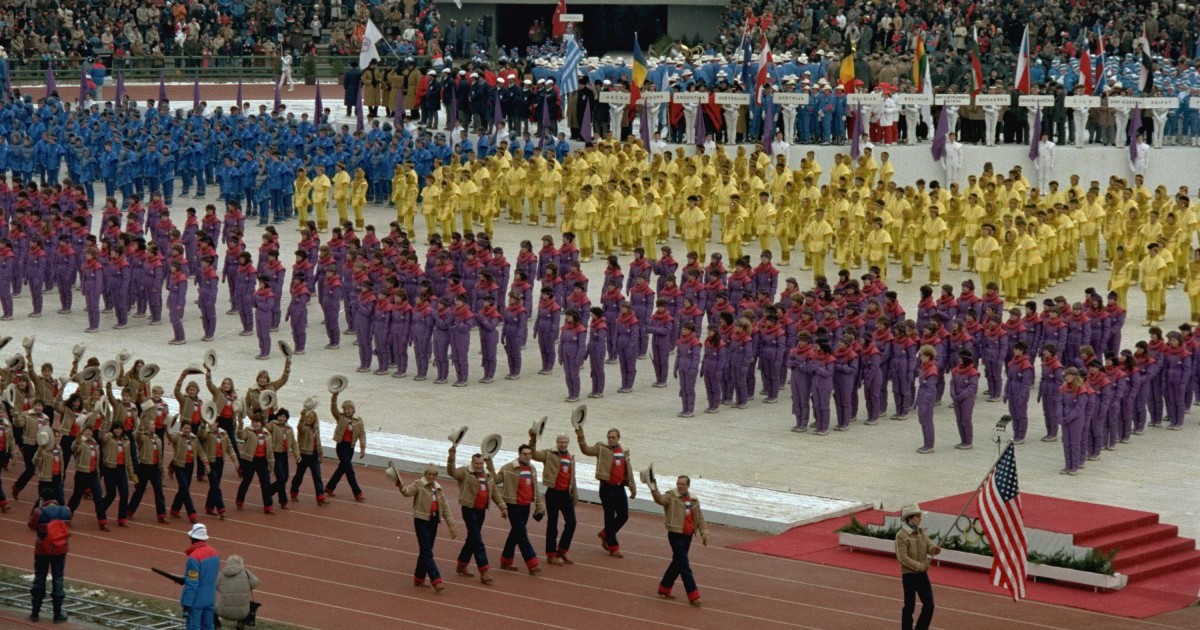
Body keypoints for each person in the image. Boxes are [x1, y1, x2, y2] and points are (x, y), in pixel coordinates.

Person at [394, 463, 457, 592]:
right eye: (429, 474)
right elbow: (407, 492)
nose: (431, 477)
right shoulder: (418, 484)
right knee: (427, 550)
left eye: (433, 475)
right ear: (425, 474)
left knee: (425, 550)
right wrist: (401, 487)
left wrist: (451, 525)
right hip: (421, 520)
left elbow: (445, 508)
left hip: (433, 521)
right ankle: (436, 580)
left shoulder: (438, 489)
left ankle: (419, 578)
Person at [446, 442, 503, 584]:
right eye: (476, 463)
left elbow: (494, 491)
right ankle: (484, 572)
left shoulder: (487, 475)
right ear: (472, 462)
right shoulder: (465, 472)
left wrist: (502, 507)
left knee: (472, 538)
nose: (478, 465)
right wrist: (451, 457)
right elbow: (451, 472)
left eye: (481, 463)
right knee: (477, 540)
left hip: (482, 511)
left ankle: (462, 564)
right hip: (468, 509)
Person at [576, 425, 636, 557]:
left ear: (618, 438)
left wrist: (632, 487)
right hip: (607, 488)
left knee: (624, 515)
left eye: (613, 437)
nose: (611, 439)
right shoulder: (601, 448)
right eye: (609, 437)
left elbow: (629, 470)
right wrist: (580, 435)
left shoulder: (624, 451)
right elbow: (586, 450)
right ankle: (613, 547)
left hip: (620, 487)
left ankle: (605, 533)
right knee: (609, 516)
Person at [650, 474, 708, 607]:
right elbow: (660, 499)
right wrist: (653, 488)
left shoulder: (693, 500)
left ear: (688, 485)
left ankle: (664, 587)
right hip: (675, 535)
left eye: (683, 484)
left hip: (688, 536)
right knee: (684, 565)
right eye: (678, 483)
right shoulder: (671, 496)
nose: (680, 486)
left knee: (677, 562)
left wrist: (704, 531)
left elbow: (700, 517)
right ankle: (693, 595)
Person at [490, 443, 544, 574]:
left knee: (515, 533)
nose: (527, 456)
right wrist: (489, 463)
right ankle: (532, 563)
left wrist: (539, 505)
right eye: (525, 454)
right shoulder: (509, 468)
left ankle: (506, 560)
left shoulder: (532, 469)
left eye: (529, 454)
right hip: (513, 505)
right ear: (519, 454)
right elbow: (496, 480)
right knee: (521, 534)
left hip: (526, 506)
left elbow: (535, 488)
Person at [528, 429, 578, 565]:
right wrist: (532, 439)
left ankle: (562, 550)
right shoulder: (549, 454)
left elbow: (573, 477)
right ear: (557, 442)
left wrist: (575, 495)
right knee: (552, 525)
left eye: (565, 442)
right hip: (553, 494)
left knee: (572, 522)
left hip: (566, 494)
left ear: (568, 442)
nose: (563, 444)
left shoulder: (571, 457)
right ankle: (551, 554)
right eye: (561, 442)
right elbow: (533, 454)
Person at [28, 487, 71, 623]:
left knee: (40, 577)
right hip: (60, 549)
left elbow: (31, 525)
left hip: (42, 549)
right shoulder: (66, 510)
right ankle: (57, 614)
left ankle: (35, 613)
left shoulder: (39, 511)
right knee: (58, 578)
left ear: (43, 499)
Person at [896, 504, 939, 630]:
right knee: (909, 607)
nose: (920, 519)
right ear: (910, 518)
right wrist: (920, 566)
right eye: (918, 516)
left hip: (922, 575)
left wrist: (934, 549)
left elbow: (929, 544)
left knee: (929, 605)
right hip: (909, 575)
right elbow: (902, 558)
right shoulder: (901, 536)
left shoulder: (921, 532)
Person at [326, 390, 367, 500]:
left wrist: (363, 449)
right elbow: (333, 409)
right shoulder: (340, 417)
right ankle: (357, 493)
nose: (346, 411)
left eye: (348, 409)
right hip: (341, 446)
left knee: (342, 469)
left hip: (351, 448)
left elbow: (362, 435)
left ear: (353, 409)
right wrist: (334, 396)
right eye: (344, 409)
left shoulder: (358, 421)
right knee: (349, 470)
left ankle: (329, 487)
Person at [181, 523, 220, 630]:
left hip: (196, 600)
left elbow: (192, 583)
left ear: (192, 538)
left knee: (194, 627)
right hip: (210, 598)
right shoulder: (214, 553)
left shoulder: (194, 557)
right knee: (208, 626)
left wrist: (186, 603)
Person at [216, 555, 260, 630]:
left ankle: (217, 625)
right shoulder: (246, 573)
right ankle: (241, 623)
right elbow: (255, 583)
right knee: (249, 606)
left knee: (210, 607)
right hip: (243, 613)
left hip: (223, 612)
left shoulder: (221, 575)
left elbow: (216, 586)